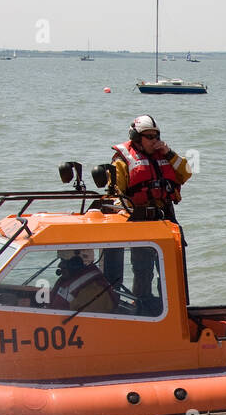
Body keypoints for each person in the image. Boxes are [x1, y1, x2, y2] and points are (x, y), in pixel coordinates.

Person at [110, 114, 192, 300]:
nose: (155, 140)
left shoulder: (164, 155)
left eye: (157, 136)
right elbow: (116, 195)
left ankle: (173, 305)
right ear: (137, 137)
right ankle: (142, 305)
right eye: (150, 137)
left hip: (166, 218)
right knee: (142, 270)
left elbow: (186, 173)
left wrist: (168, 152)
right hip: (141, 221)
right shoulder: (122, 160)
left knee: (173, 269)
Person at [51, 249, 115, 313]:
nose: (60, 266)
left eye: (64, 261)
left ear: (75, 266)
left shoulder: (94, 290)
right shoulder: (66, 279)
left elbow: (85, 319)